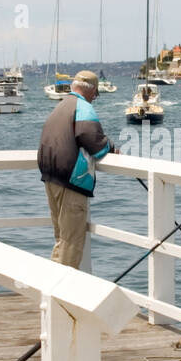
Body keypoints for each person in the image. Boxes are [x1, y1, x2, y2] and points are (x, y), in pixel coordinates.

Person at [37, 70, 111, 268]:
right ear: (92, 91)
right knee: (72, 243)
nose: (95, 98)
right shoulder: (83, 107)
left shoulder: (61, 105)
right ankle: (64, 296)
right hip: (71, 181)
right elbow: (95, 144)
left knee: (61, 238)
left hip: (51, 177)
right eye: (96, 94)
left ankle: (52, 290)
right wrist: (110, 146)